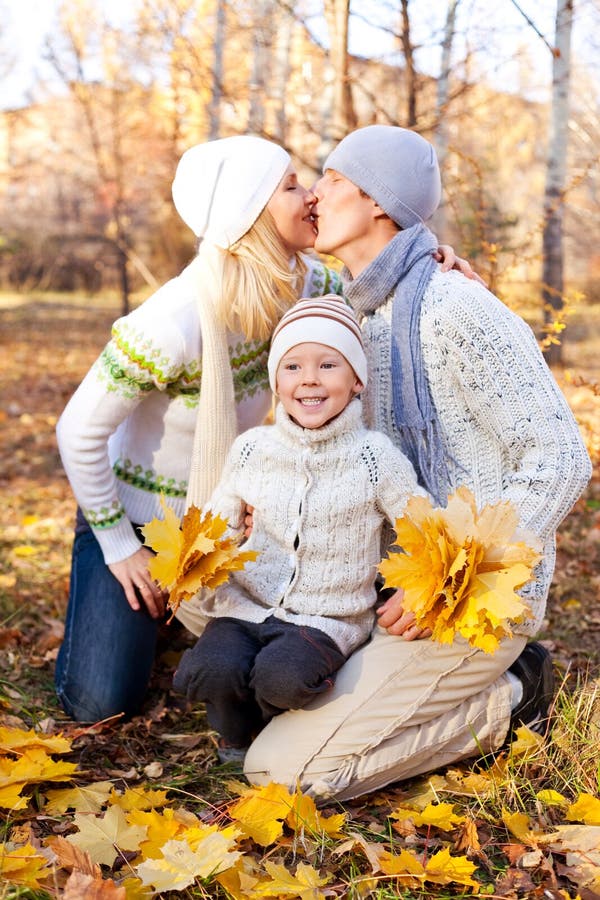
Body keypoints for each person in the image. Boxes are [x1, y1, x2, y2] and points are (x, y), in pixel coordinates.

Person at [55, 134, 467, 723]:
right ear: (249, 215)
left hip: (236, 513)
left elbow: (382, 289)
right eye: (292, 187)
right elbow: (77, 431)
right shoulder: (172, 323)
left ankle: (203, 620)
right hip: (139, 522)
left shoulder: (305, 287)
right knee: (99, 704)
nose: (311, 198)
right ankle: (157, 610)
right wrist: (119, 547)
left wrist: (437, 263)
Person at [239, 126, 592, 801]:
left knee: (281, 773)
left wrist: (447, 578)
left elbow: (560, 460)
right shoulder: (351, 308)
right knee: (267, 695)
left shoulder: (457, 307)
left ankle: (512, 699)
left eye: (333, 179)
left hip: (472, 595)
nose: (314, 193)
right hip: (380, 586)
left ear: (378, 201)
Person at [172, 296, 429, 761]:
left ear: (355, 381)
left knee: (282, 677)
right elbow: (216, 522)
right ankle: (236, 736)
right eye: (292, 366)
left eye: (328, 364)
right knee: (211, 668)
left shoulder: (375, 457)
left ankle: (278, 727)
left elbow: (424, 525)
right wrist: (207, 559)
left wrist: (418, 582)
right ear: (276, 381)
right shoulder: (254, 448)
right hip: (244, 603)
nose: (309, 378)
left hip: (327, 615)